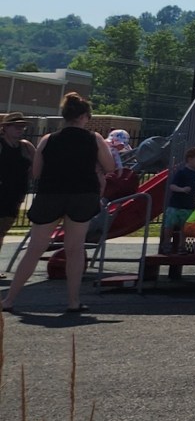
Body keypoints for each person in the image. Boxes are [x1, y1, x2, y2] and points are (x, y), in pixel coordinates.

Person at [2, 93, 115, 315]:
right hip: (82, 195)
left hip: (51, 194)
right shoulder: (94, 139)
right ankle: (73, 301)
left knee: (34, 249)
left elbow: (35, 172)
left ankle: (9, 299)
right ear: (83, 116)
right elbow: (110, 166)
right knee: (75, 250)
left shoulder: (48, 139)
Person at [0, 113, 35, 257]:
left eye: (22, 126)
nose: (20, 129)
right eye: (16, 126)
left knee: (2, 231)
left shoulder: (26, 147)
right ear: (5, 128)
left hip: (15, 195)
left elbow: (36, 167)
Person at [161, 147, 195, 254]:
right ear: (190, 159)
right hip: (176, 204)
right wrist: (182, 189)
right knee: (170, 225)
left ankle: (182, 246)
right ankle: (166, 244)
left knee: (185, 227)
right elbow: (172, 186)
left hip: (188, 205)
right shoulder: (182, 172)